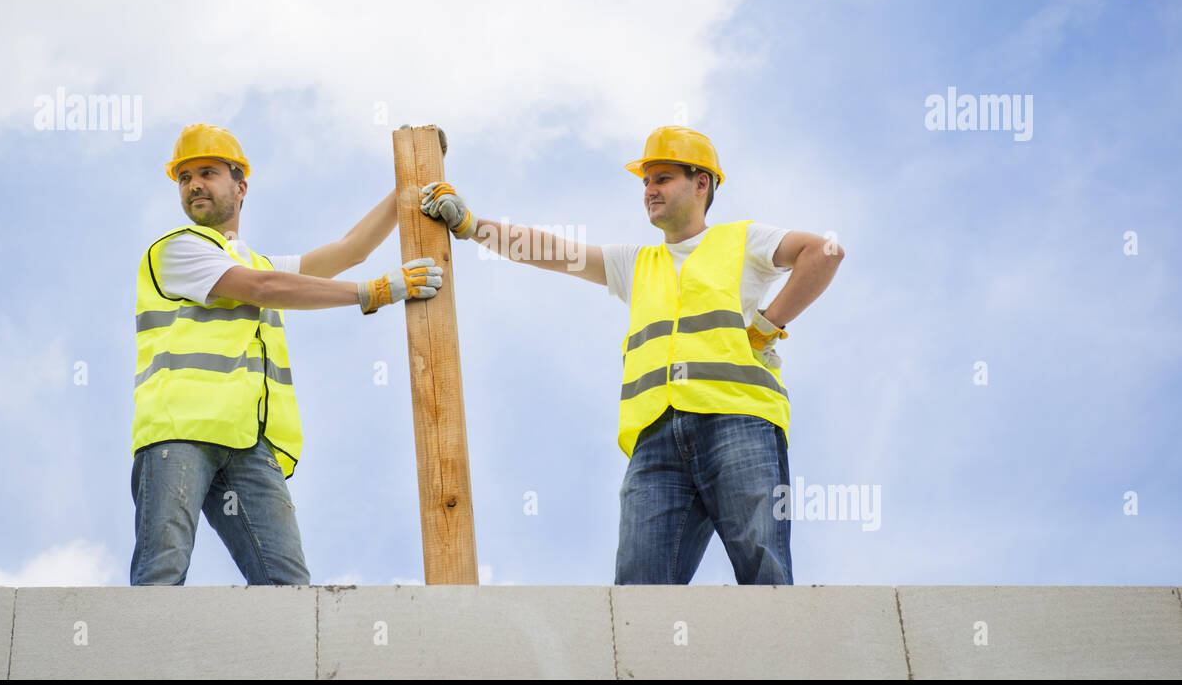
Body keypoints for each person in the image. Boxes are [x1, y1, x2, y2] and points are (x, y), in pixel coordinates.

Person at [419, 125, 843, 584]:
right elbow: (552, 251)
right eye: (645, 181)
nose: (649, 191)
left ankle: (780, 654)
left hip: (737, 422)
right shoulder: (636, 264)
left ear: (702, 183)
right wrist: (469, 225)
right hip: (656, 438)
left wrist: (767, 323)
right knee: (638, 595)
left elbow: (824, 251)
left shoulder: (743, 241)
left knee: (765, 571)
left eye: (661, 178)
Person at [130, 123, 441, 585]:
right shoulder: (178, 250)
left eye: (207, 173)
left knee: (288, 589)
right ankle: (140, 657)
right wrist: (372, 292)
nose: (194, 184)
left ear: (240, 186)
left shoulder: (255, 261)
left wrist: (412, 191)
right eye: (185, 177)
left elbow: (349, 250)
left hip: (248, 445)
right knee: (162, 571)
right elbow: (265, 289)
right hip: (179, 434)